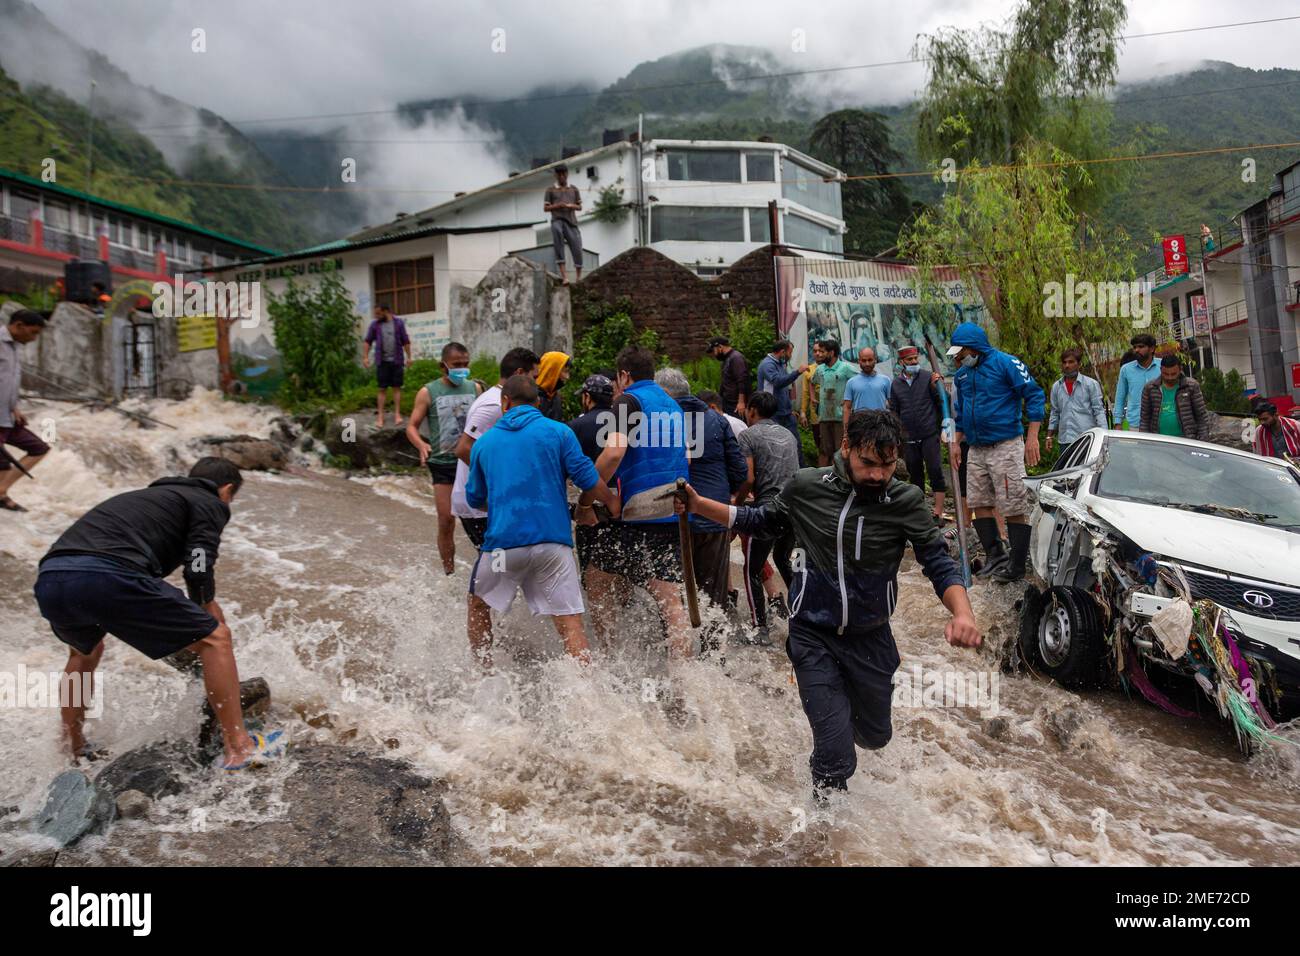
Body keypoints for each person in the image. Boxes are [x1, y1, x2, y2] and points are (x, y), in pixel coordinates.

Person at [675, 410, 981, 797]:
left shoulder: (906, 500)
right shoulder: (807, 486)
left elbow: (937, 561)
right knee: (837, 756)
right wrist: (699, 504)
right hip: (812, 636)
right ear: (846, 447)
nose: (876, 475)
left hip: (871, 640)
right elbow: (760, 520)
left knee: (875, 736)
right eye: (867, 463)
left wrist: (962, 612)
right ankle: (825, 827)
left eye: (886, 465)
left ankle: (837, 726)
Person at [33, 458, 284, 770]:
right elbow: (198, 559)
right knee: (216, 638)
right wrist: (206, 603)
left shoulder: (145, 497)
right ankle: (240, 747)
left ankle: (72, 747)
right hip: (107, 575)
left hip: (52, 578)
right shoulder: (210, 501)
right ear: (227, 490)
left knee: (84, 653)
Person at [464, 376, 620, 668]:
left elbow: (474, 499)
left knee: (478, 604)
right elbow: (587, 478)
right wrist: (612, 503)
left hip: (502, 549)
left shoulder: (484, 444)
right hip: (553, 545)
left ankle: (483, 674)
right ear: (538, 402)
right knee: (570, 622)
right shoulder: (559, 432)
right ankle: (587, 694)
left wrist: (502, 502)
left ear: (504, 402)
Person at [586, 345, 693, 659]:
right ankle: (684, 673)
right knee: (670, 599)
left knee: (595, 577)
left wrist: (588, 495)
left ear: (623, 375)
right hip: (674, 505)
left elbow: (614, 453)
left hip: (639, 508)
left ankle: (609, 657)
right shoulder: (672, 404)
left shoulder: (627, 401)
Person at [947, 321, 1046, 584]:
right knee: (978, 501)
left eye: (962, 352)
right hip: (976, 447)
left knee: (1013, 503)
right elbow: (960, 413)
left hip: (1005, 444)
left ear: (975, 347)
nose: (958, 357)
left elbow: (1034, 395)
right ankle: (996, 555)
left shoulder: (1006, 364)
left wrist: (1033, 436)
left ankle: (1016, 565)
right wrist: (956, 442)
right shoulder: (962, 376)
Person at [655, 368, 746, 633]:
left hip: (673, 519)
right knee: (713, 595)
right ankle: (713, 658)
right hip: (713, 517)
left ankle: (679, 656)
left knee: (674, 596)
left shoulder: (659, 422)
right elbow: (740, 471)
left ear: (665, 395)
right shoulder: (716, 420)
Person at [452, 347, 541, 550]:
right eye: (533, 376)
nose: (536, 382)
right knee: (498, 565)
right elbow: (464, 448)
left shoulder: (497, 398)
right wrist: (498, 480)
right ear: (519, 373)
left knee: (500, 566)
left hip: (485, 500)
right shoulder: (494, 405)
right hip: (482, 501)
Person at [406, 342, 482, 575]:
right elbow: (411, 426)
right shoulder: (428, 392)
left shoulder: (476, 389)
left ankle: (486, 564)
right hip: (442, 464)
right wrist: (421, 444)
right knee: (446, 519)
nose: (462, 369)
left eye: (465, 364)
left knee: (481, 516)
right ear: (443, 366)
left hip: (470, 461)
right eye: (456, 365)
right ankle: (449, 571)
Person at [735, 391, 799, 644]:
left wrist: (737, 506)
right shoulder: (788, 435)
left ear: (751, 410)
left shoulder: (747, 436)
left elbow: (748, 478)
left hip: (767, 510)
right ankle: (801, 615)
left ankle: (758, 627)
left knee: (751, 569)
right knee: (783, 560)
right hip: (794, 507)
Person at [888, 344, 946, 525]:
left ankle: (938, 512)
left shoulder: (929, 377)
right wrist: (897, 435)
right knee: (915, 474)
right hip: (908, 437)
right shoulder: (896, 384)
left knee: (935, 470)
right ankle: (920, 511)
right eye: (909, 360)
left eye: (915, 359)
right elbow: (895, 411)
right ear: (901, 362)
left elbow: (942, 403)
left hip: (929, 433)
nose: (913, 362)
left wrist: (939, 386)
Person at [0, 309, 51, 512]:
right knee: (2, 463)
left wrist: (14, 408)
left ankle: (1, 491)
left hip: (7, 416)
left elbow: (7, 381)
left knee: (39, 448)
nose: (33, 338)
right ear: (19, 326)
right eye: (33, 333)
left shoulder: (14, 347)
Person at [756, 339, 808, 465]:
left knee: (795, 445)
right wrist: (798, 372)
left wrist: (790, 408)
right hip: (773, 414)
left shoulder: (780, 364)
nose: (790, 356)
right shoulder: (767, 365)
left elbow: (784, 388)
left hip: (786, 413)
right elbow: (778, 382)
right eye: (790, 352)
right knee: (776, 448)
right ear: (783, 351)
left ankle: (801, 474)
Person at [1045, 347, 1107, 452]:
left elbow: (1099, 411)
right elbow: (1055, 413)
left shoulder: (1090, 385)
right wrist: (1049, 436)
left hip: (1086, 439)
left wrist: (1105, 436)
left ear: (1079, 364)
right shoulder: (1057, 386)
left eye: (1071, 362)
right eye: (1064, 362)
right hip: (1065, 440)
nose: (1067, 365)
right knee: (1066, 468)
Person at [363, 304, 412, 427]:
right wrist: (365, 357)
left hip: (396, 361)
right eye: (376, 314)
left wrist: (409, 357)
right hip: (382, 361)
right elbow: (368, 341)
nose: (377, 316)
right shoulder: (375, 325)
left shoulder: (398, 323)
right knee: (381, 389)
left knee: (396, 387)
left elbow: (405, 341)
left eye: (379, 313)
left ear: (386, 311)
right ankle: (380, 416)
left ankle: (397, 414)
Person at [1140, 354, 1209, 440]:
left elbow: (1202, 417)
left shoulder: (1191, 386)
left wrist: (1202, 441)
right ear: (1161, 370)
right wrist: (1144, 442)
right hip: (1158, 441)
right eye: (1166, 374)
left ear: (1180, 369)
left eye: (1173, 374)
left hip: (1187, 441)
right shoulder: (1150, 388)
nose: (1170, 377)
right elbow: (1144, 419)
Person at [811, 338, 856, 467]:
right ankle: (822, 480)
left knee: (840, 451)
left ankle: (841, 478)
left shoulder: (845, 367)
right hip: (824, 416)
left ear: (831, 353)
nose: (819, 354)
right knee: (824, 450)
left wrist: (850, 400)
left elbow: (858, 382)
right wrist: (813, 397)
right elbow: (812, 382)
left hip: (841, 417)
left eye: (822, 351)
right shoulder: (820, 369)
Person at [544, 164, 583, 284]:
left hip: (571, 221)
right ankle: (565, 277)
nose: (561, 176)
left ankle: (578, 277)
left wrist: (571, 206)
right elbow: (546, 208)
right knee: (558, 242)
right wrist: (558, 205)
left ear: (567, 174)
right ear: (555, 175)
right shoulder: (550, 190)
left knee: (577, 247)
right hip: (557, 220)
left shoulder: (574, 189)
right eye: (559, 174)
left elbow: (580, 206)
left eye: (563, 174)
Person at [1114, 333, 1161, 430]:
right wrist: (1118, 422)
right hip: (1136, 424)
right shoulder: (1126, 369)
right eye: (1135, 347)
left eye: (1141, 347)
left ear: (1152, 349)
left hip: (1161, 422)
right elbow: (1120, 397)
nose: (1136, 350)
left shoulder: (1162, 366)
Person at [843, 347, 891, 427]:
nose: (867, 363)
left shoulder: (885, 380)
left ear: (875, 360)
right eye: (864, 360)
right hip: (859, 426)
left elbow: (891, 405)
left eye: (870, 360)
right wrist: (845, 432)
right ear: (859, 361)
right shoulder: (851, 382)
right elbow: (847, 408)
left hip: (881, 425)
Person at [708, 336, 750, 418]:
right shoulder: (727, 359)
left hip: (735, 405)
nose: (714, 354)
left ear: (720, 347)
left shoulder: (736, 358)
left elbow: (742, 380)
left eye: (714, 350)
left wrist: (741, 402)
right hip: (728, 403)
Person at [536, 351, 572, 421]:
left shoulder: (555, 397)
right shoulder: (532, 397)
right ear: (552, 371)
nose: (567, 377)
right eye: (565, 371)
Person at [799, 352, 820, 461]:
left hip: (833, 415)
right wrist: (803, 412)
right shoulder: (809, 370)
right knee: (819, 445)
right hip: (815, 415)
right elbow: (805, 392)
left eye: (820, 351)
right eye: (815, 351)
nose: (817, 353)